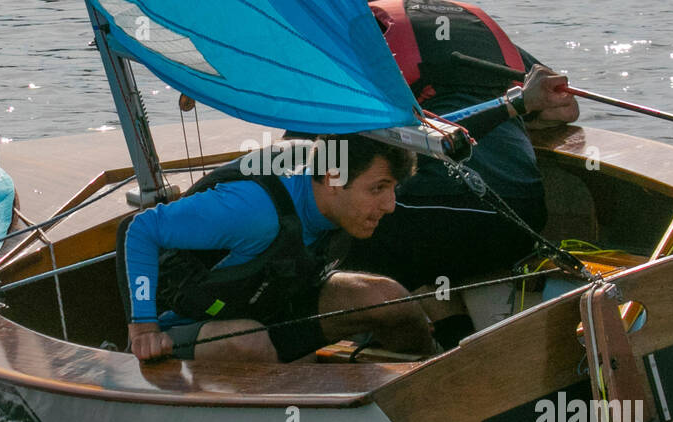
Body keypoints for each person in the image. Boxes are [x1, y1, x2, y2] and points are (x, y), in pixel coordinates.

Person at [342, 0, 580, 345]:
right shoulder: (464, 25)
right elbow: (565, 107)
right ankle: (452, 331)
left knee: (327, 260)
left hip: (437, 217)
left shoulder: (361, 32)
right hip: (524, 213)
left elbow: (309, 146)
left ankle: (406, 348)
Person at [116, 133, 435, 363]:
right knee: (249, 341)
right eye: (378, 188)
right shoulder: (251, 211)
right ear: (333, 178)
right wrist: (144, 328)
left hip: (274, 302)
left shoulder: (329, 168)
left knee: (388, 300)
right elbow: (138, 229)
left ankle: (432, 381)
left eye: (393, 188)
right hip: (189, 324)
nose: (391, 205)